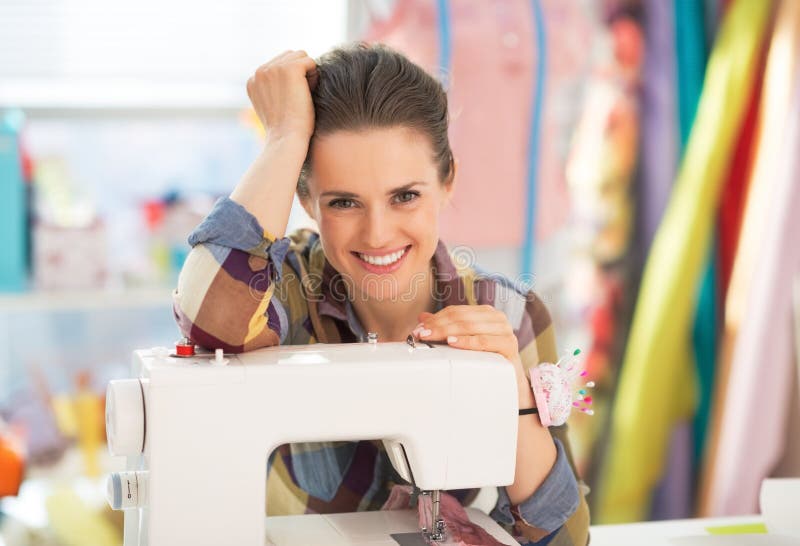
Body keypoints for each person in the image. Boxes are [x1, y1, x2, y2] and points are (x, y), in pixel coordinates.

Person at [173, 42, 589, 545]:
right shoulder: (286, 293)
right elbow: (208, 319)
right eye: (344, 202)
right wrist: (285, 138)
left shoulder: (509, 314)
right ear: (305, 199)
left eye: (405, 196)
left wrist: (516, 396)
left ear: (447, 182)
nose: (377, 234)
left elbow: (567, 540)